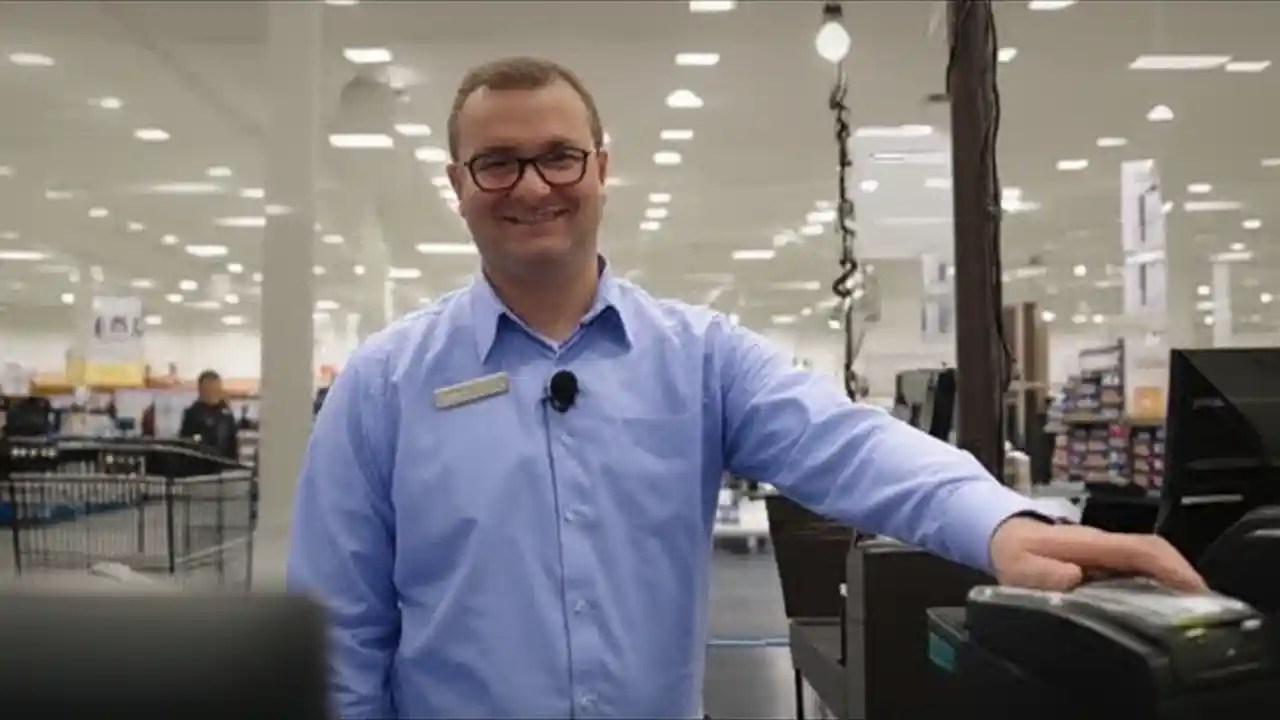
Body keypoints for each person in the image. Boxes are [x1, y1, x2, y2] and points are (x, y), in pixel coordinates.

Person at [286, 57, 1204, 719]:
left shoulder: (699, 359)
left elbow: (850, 444)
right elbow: (336, 629)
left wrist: (1003, 525)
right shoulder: (383, 385)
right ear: (459, 185)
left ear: (602, 168)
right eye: (498, 163)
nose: (532, 185)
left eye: (560, 155)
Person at [179, 370, 238, 460]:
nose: (212, 394)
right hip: (202, 464)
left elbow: (232, 444)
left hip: (226, 464)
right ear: (201, 390)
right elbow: (186, 444)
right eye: (209, 390)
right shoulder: (193, 414)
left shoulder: (226, 414)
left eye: (216, 390)